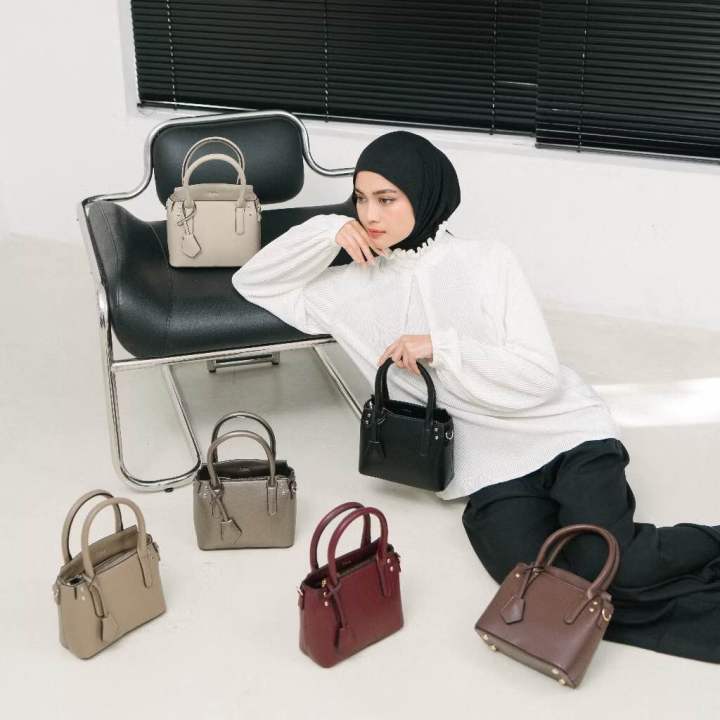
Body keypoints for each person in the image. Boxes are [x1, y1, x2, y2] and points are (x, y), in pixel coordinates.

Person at [231, 130, 720, 663]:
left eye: (387, 199)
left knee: (616, 565)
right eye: (360, 199)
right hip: (485, 467)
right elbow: (255, 282)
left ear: (425, 194)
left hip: (563, 434)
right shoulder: (350, 290)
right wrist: (327, 231)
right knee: (538, 590)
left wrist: (442, 347)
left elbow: (539, 377)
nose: (370, 214)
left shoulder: (487, 261)